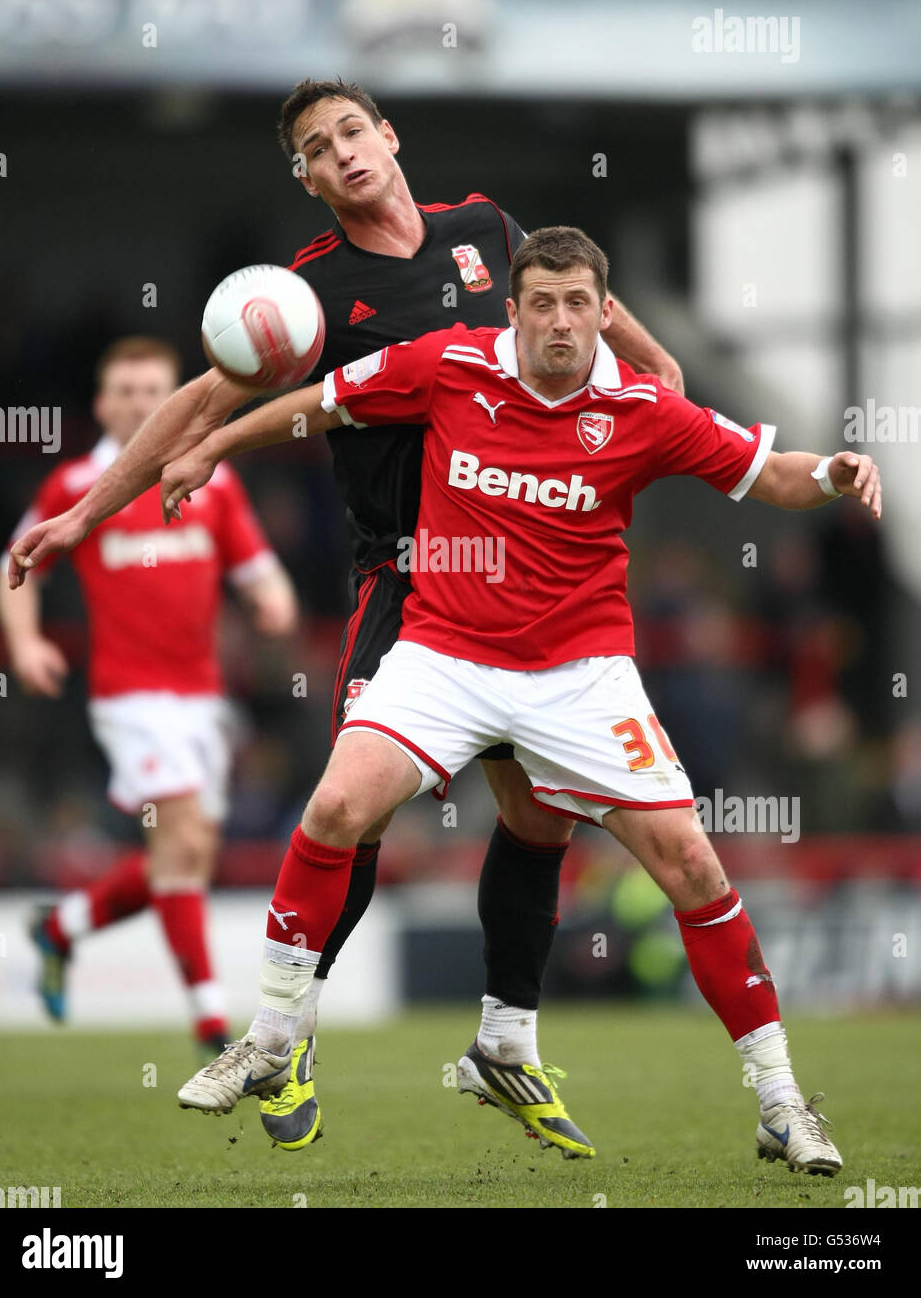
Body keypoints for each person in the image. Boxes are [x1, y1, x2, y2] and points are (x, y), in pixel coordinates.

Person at [5, 79, 684, 1160]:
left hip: (527, 572)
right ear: (309, 179)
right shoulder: (308, 295)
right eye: (317, 148)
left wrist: (653, 377)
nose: (342, 152)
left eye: (353, 130)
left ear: (388, 135)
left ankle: (506, 1037)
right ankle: (289, 1027)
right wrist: (88, 510)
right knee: (353, 808)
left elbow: (602, 318)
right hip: (408, 576)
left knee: (536, 815)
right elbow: (199, 402)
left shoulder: (486, 233)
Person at [160, 226, 880, 1173]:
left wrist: (833, 471)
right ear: (511, 309)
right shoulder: (447, 365)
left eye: (577, 301)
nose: (558, 319)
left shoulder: (643, 407)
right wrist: (212, 444)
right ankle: (272, 1033)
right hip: (445, 655)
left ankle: (782, 1101)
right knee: (336, 805)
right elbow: (322, 406)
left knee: (695, 873)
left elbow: (767, 473)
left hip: (582, 678)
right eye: (540, 301)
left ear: (601, 311)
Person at [0, 337, 298, 1056]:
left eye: (152, 390)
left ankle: (60, 928)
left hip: (204, 700)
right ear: (101, 404)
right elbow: (19, 562)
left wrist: (275, 601)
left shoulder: (212, 481)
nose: (138, 403)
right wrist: (24, 641)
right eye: (124, 391)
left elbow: (258, 569)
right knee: (185, 840)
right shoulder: (75, 486)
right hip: (129, 698)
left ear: (177, 400)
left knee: (181, 855)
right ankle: (211, 1025)